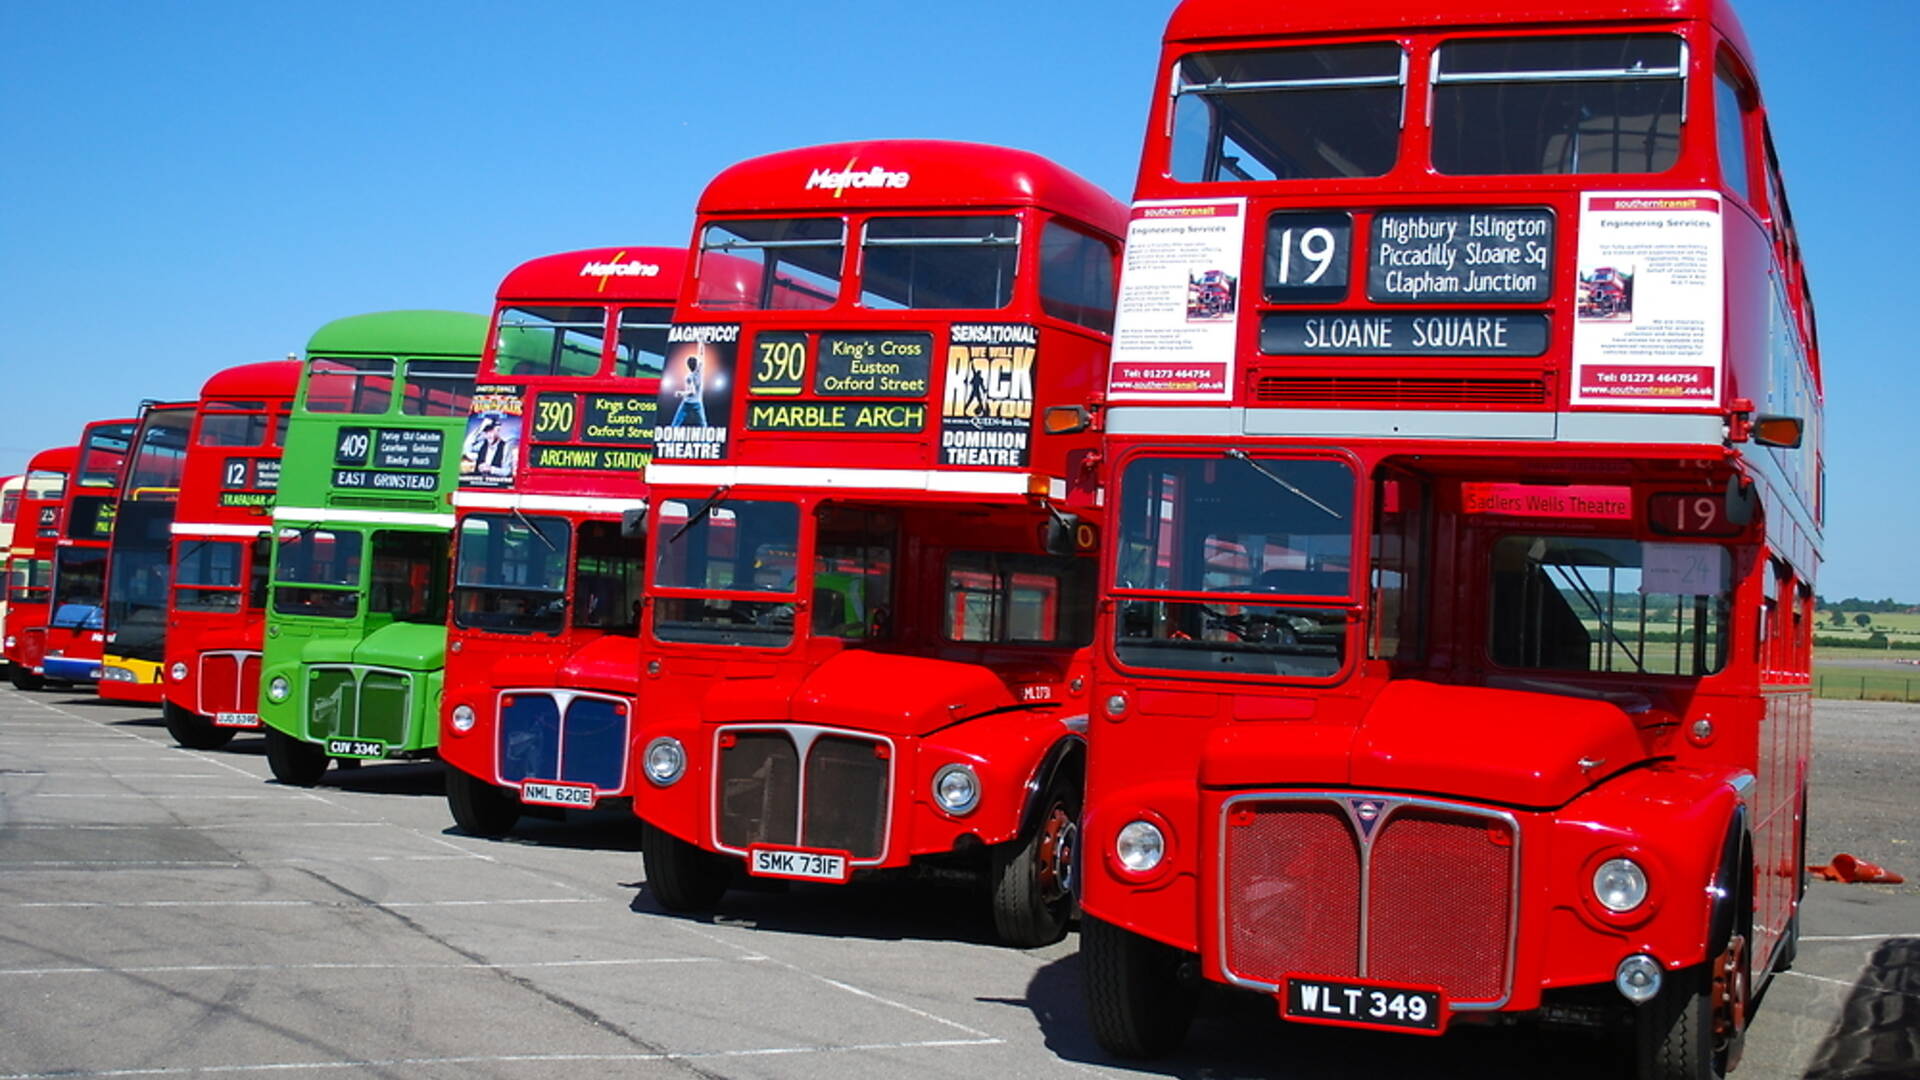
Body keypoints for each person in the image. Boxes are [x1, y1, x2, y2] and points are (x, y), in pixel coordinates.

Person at [463, 415, 515, 481]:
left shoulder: (505, 447)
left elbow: (507, 471)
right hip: (478, 484)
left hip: (498, 485)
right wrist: (480, 429)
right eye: (486, 432)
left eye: (491, 431)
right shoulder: (482, 445)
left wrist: (491, 469)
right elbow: (467, 449)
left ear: (497, 430)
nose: (488, 435)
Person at [672, 354, 708, 427]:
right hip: (697, 402)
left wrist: (680, 393)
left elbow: (692, 392)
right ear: (696, 365)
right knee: (703, 424)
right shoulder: (699, 373)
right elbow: (701, 356)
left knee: (676, 423)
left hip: (688, 403)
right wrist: (701, 347)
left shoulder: (689, 377)